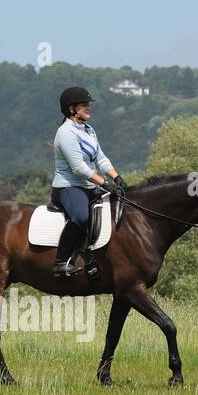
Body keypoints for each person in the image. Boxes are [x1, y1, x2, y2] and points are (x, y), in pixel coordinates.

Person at [50, 87, 126, 277]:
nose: (88, 108)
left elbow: (100, 158)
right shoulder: (65, 133)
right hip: (69, 187)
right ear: (71, 109)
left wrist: (116, 177)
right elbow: (79, 168)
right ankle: (60, 263)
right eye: (84, 105)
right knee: (82, 217)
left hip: (89, 186)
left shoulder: (88, 130)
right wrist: (104, 183)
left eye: (88, 104)